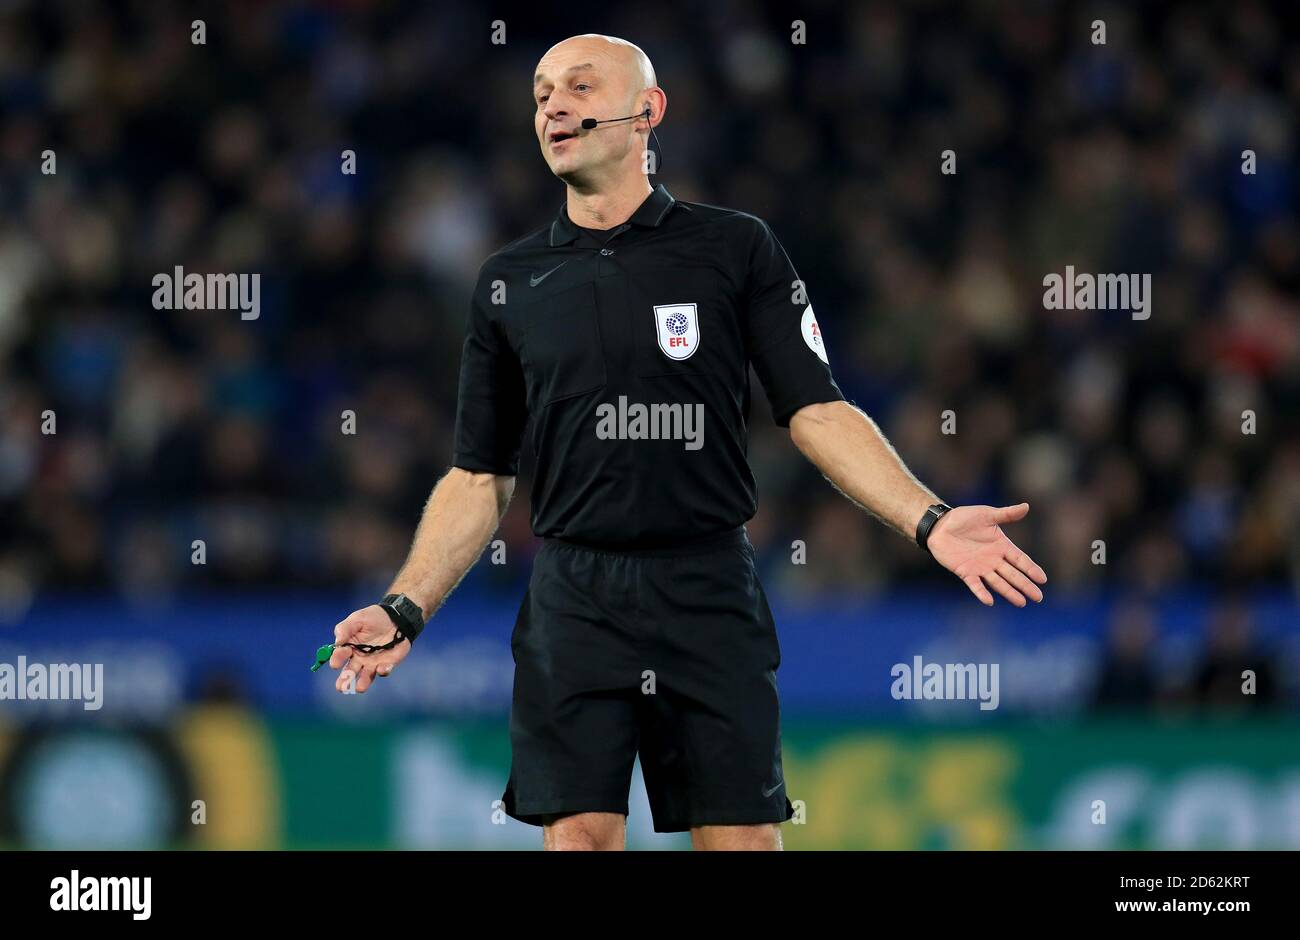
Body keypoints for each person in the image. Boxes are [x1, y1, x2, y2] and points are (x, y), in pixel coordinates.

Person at [327, 34, 1047, 851]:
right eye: (540, 93)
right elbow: (478, 474)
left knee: (740, 843)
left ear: (648, 111)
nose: (552, 105)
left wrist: (930, 518)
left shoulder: (734, 248)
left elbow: (815, 408)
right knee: (581, 839)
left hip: (705, 582)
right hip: (574, 593)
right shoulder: (507, 282)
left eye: (579, 85)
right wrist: (404, 605)